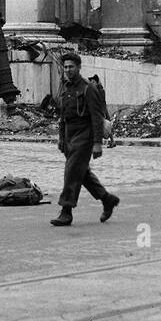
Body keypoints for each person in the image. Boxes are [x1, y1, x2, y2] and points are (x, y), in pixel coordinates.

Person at [52, 51, 119, 227]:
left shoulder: (89, 88)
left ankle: (66, 211)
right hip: (69, 134)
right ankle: (107, 199)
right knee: (81, 172)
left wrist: (97, 143)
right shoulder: (65, 87)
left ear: (79, 67)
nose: (68, 70)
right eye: (65, 67)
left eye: (71, 67)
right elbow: (63, 116)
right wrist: (61, 138)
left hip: (85, 134)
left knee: (72, 170)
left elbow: (97, 117)